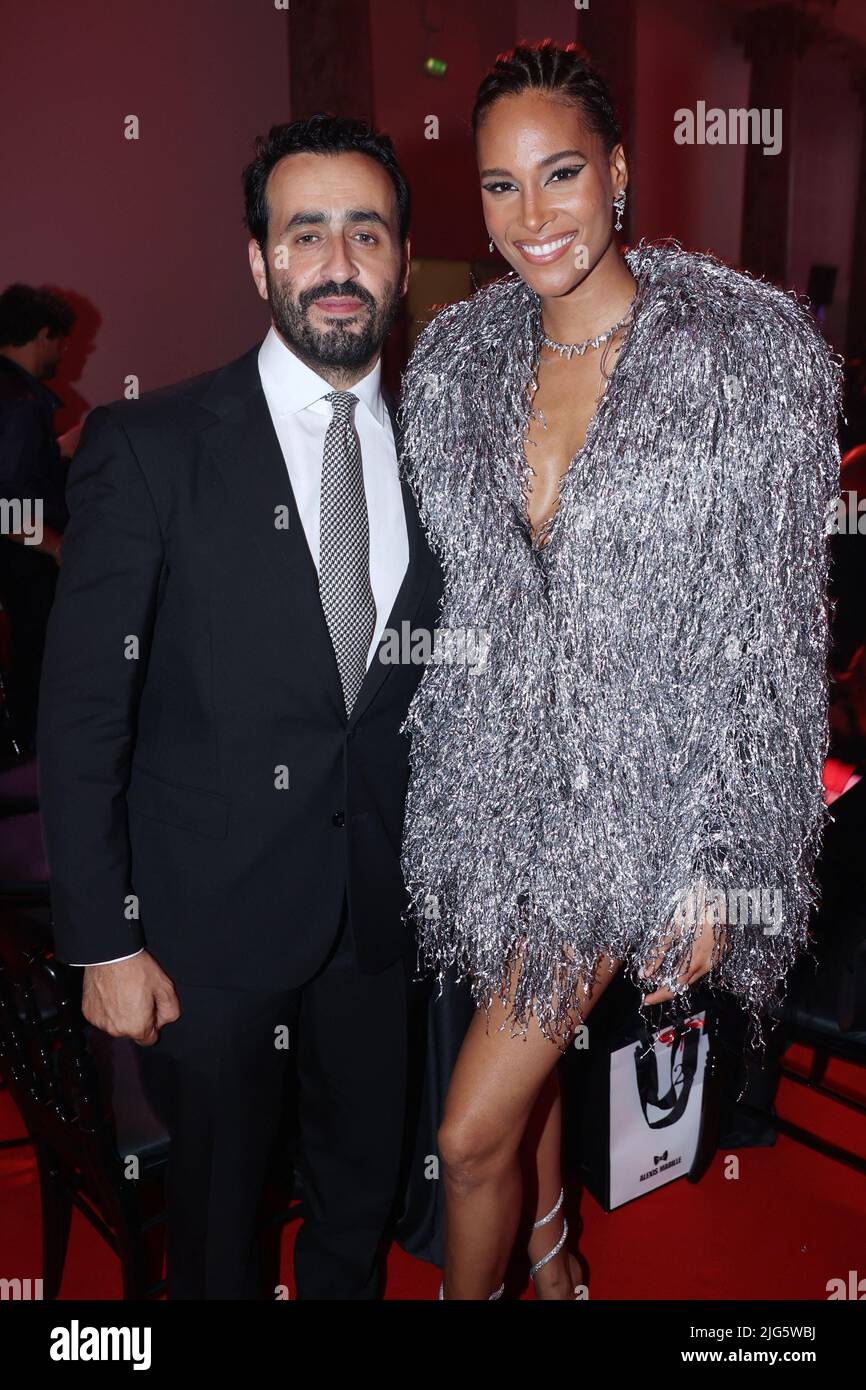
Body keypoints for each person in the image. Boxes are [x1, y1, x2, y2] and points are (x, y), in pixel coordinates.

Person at [397, 41, 842, 1300]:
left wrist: (719, 855)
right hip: (490, 792)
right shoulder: (457, 372)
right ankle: (556, 1267)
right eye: (497, 188)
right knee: (524, 1092)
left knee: (469, 1131)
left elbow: (768, 643)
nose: (530, 218)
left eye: (558, 175)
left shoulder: (740, 371)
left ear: (620, 171)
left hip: (632, 802)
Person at [37, 114, 443, 1299]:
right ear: (257, 260)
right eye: (302, 231)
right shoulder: (147, 446)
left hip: (376, 929)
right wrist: (104, 938)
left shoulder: (440, 458)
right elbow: (80, 715)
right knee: (214, 1236)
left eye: (363, 232)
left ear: (401, 262)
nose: (334, 261)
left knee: (355, 1203)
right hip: (202, 944)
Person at [0, 284, 76, 752]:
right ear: (43, 335)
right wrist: (57, 547)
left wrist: (59, 448)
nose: (66, 352)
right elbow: (4, 503)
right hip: (21, 576)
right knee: (36, 689)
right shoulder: (21, 404)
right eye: (64, 342)